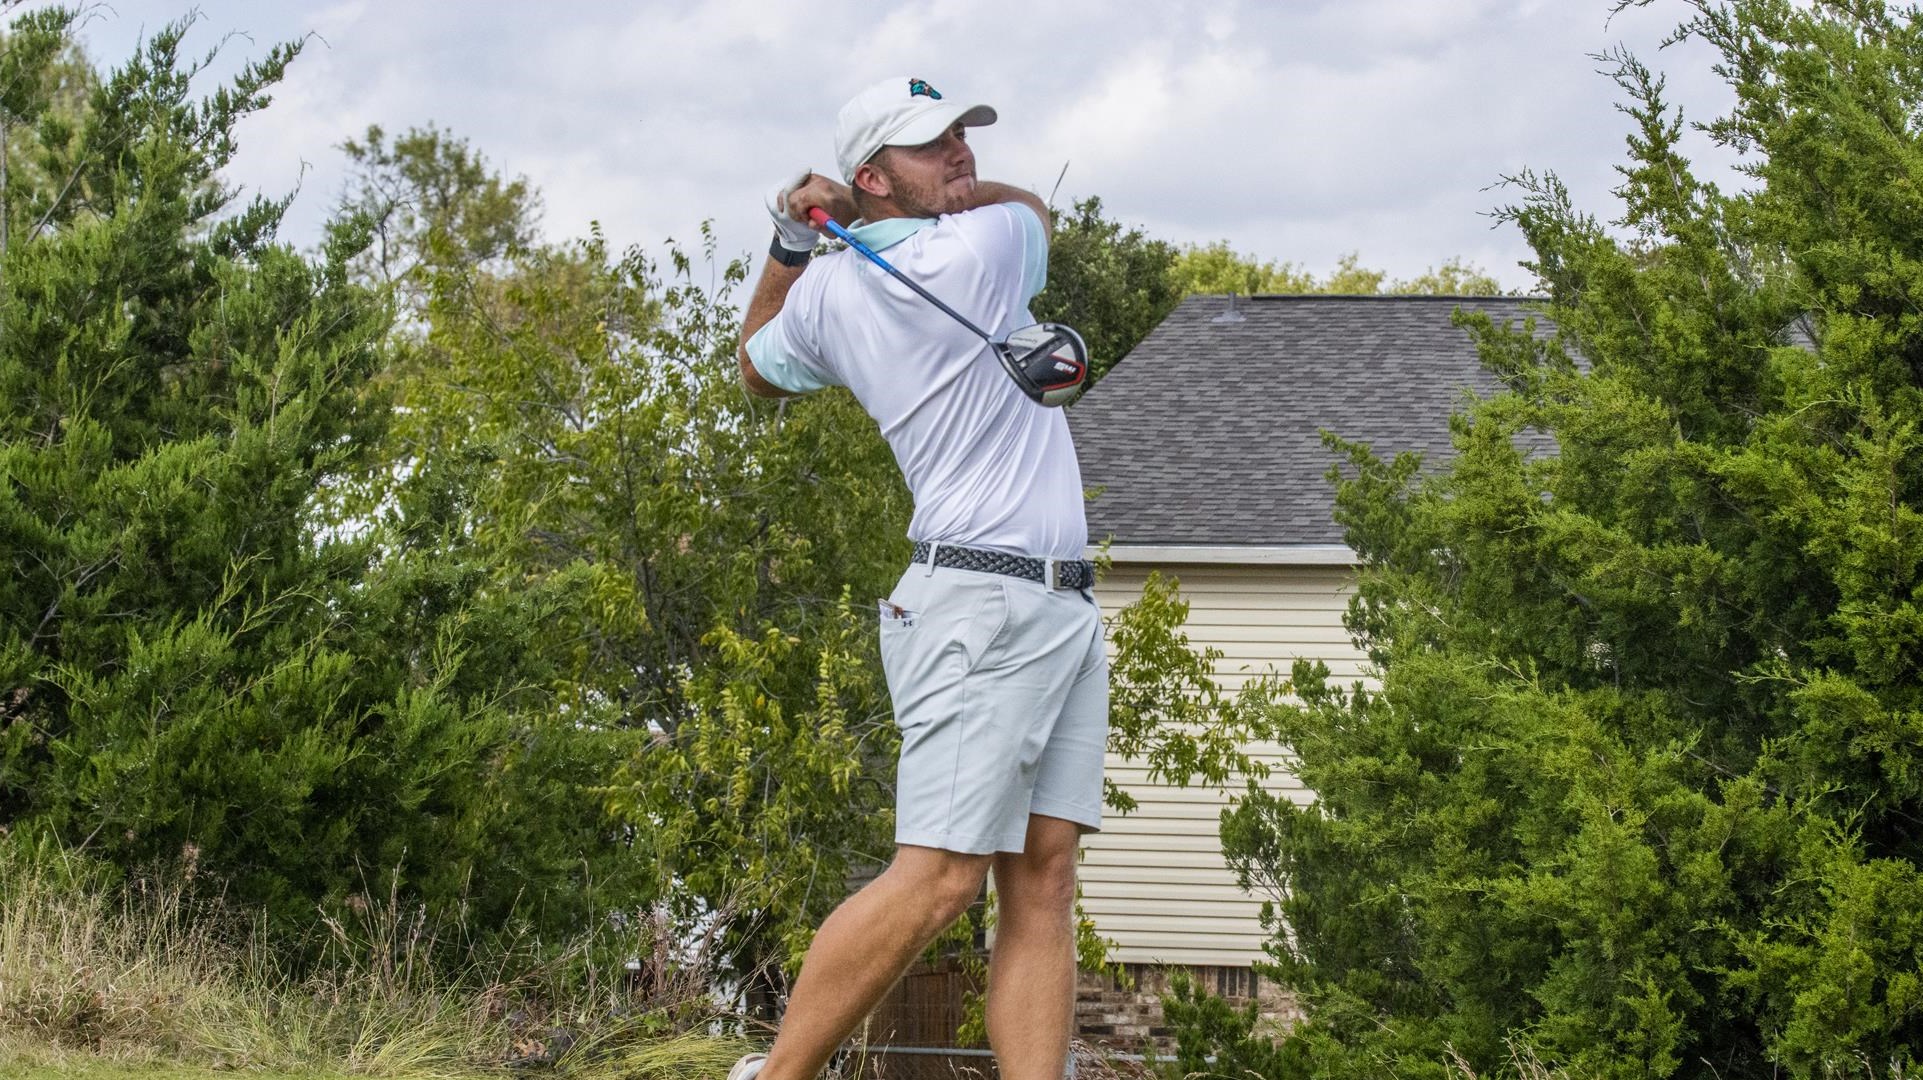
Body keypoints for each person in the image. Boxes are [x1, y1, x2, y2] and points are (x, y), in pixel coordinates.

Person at [729, 76, 1109, 1080]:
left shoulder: (828, 294)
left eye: (961, 134)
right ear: (872, 174)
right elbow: (1032, 207)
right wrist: (864, 219)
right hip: (983, 603)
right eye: (931, 144)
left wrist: (793, 239)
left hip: (1052, 601)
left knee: (1044, 875)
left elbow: (756, 366)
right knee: (940, 877)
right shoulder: (984, 245)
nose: (960, 153)